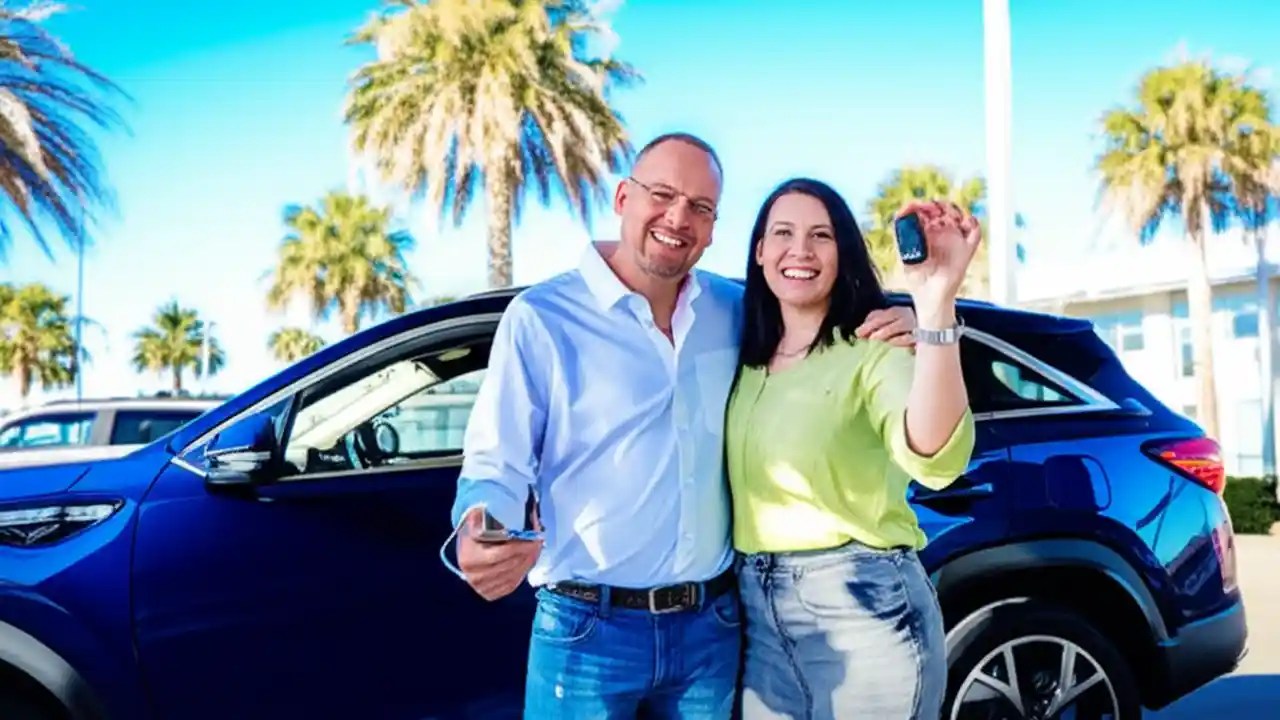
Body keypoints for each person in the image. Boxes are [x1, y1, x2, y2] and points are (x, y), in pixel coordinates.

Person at [444, 134, 920, 719]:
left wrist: (914, 317)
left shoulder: (734, 308)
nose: (678, 218)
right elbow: (497, 462)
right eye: (662, 195)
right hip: (587, 630)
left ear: (715, 227)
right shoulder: (543, 319)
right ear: (623, 197)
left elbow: (819, 312)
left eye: (700, 207)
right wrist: (479, 526)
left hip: (711, 629)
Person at [726, 177, 978, 720]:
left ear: (843, 253)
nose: (800, 250)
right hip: (759, 619)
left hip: (862, 615)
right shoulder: (739, 353)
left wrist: (934, 311)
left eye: (821, 235)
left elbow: (934, 455)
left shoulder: (875, 349)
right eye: (783, 233)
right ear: (760, 250)